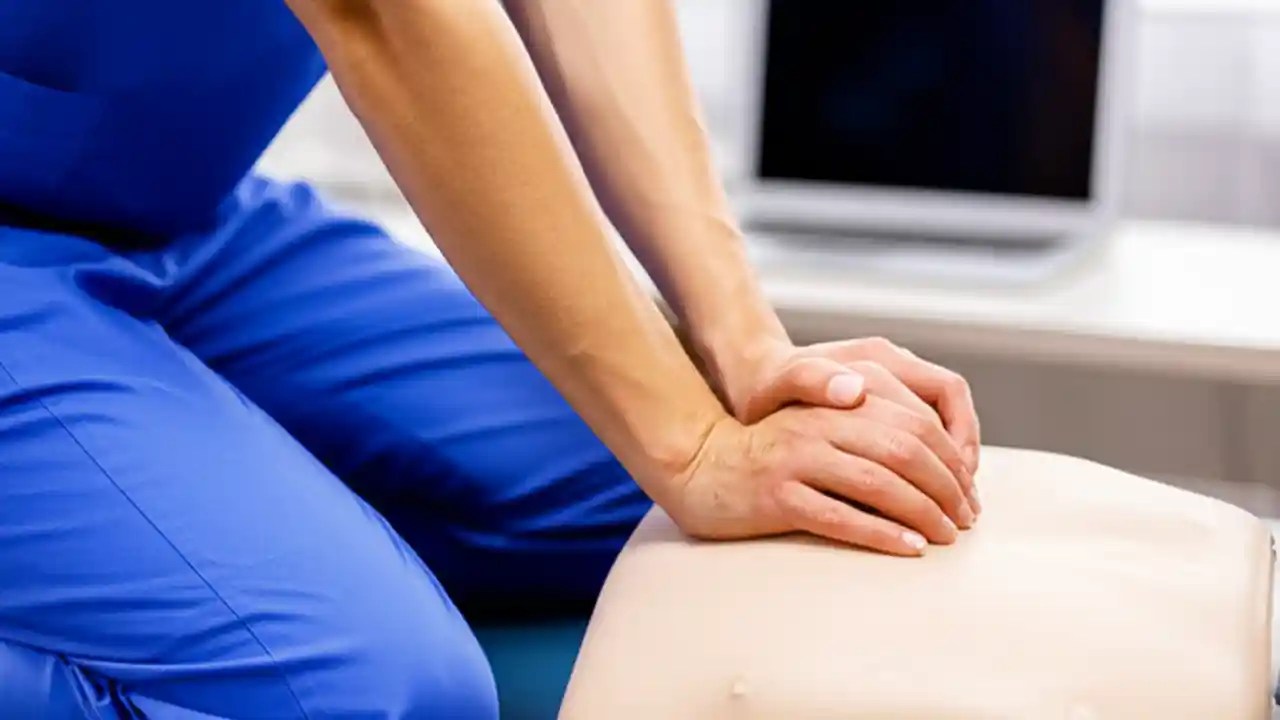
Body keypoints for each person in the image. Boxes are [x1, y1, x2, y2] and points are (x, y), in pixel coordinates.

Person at [0, 1, 980, 717]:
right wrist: (685, 446)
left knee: (740, 502)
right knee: (364, 696)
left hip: (177, 206)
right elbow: (383, 11)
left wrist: (739, 340)